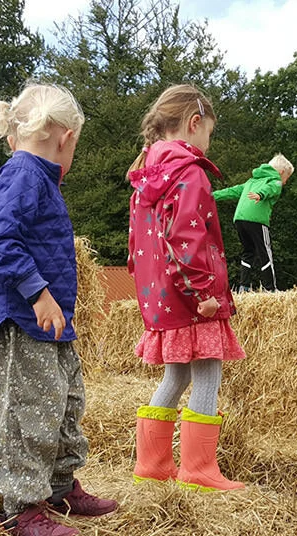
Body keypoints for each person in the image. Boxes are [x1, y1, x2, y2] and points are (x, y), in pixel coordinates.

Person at [0, 82, 117, 536]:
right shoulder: (22, 176)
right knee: (25, 408)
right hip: (19, 317)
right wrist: (38, 293)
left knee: (62, 399)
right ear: (67, 136)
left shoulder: (35, 178)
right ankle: (20, 509)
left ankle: (58, 488)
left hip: (49, 320)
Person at [127, 84, 246, 492]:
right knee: (208, 375)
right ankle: (199, 469)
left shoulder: (146, 173)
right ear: (195, 124)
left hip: (163, 298)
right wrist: (203, 293)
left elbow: (139, 244)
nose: (208, 142)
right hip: (195, 300)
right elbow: (185, 237)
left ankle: (152, 463)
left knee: (176, 377)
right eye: (209, 133)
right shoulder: (189, 172)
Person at [213, 154, 294, 292]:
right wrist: (261, 195)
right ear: (280, 172)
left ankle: (243, 286)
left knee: (248, 252)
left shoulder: (251, 182)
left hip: (239, 219)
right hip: (257, 220)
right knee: (265, 252)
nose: (285, 182)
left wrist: (212, 195)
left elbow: (232, 191)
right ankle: (270, 288)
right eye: (286, 177)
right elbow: (271, 189)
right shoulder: (276, 181)